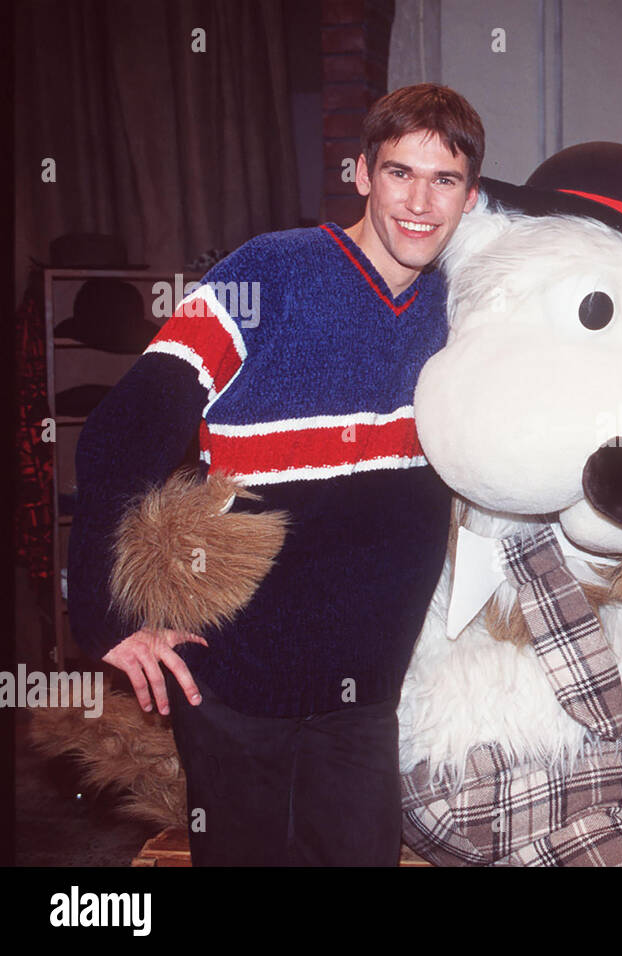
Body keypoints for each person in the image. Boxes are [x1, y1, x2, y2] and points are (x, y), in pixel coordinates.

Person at [67, 83, 484, 865]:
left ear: (471, 195)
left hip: (364, 697)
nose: (420, 202)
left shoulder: (464, 307)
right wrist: (104, 613)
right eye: (400, 173)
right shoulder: (268, 275)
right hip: (234, 687)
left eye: (445, 180)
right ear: (360, 174)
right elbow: (121, 434)